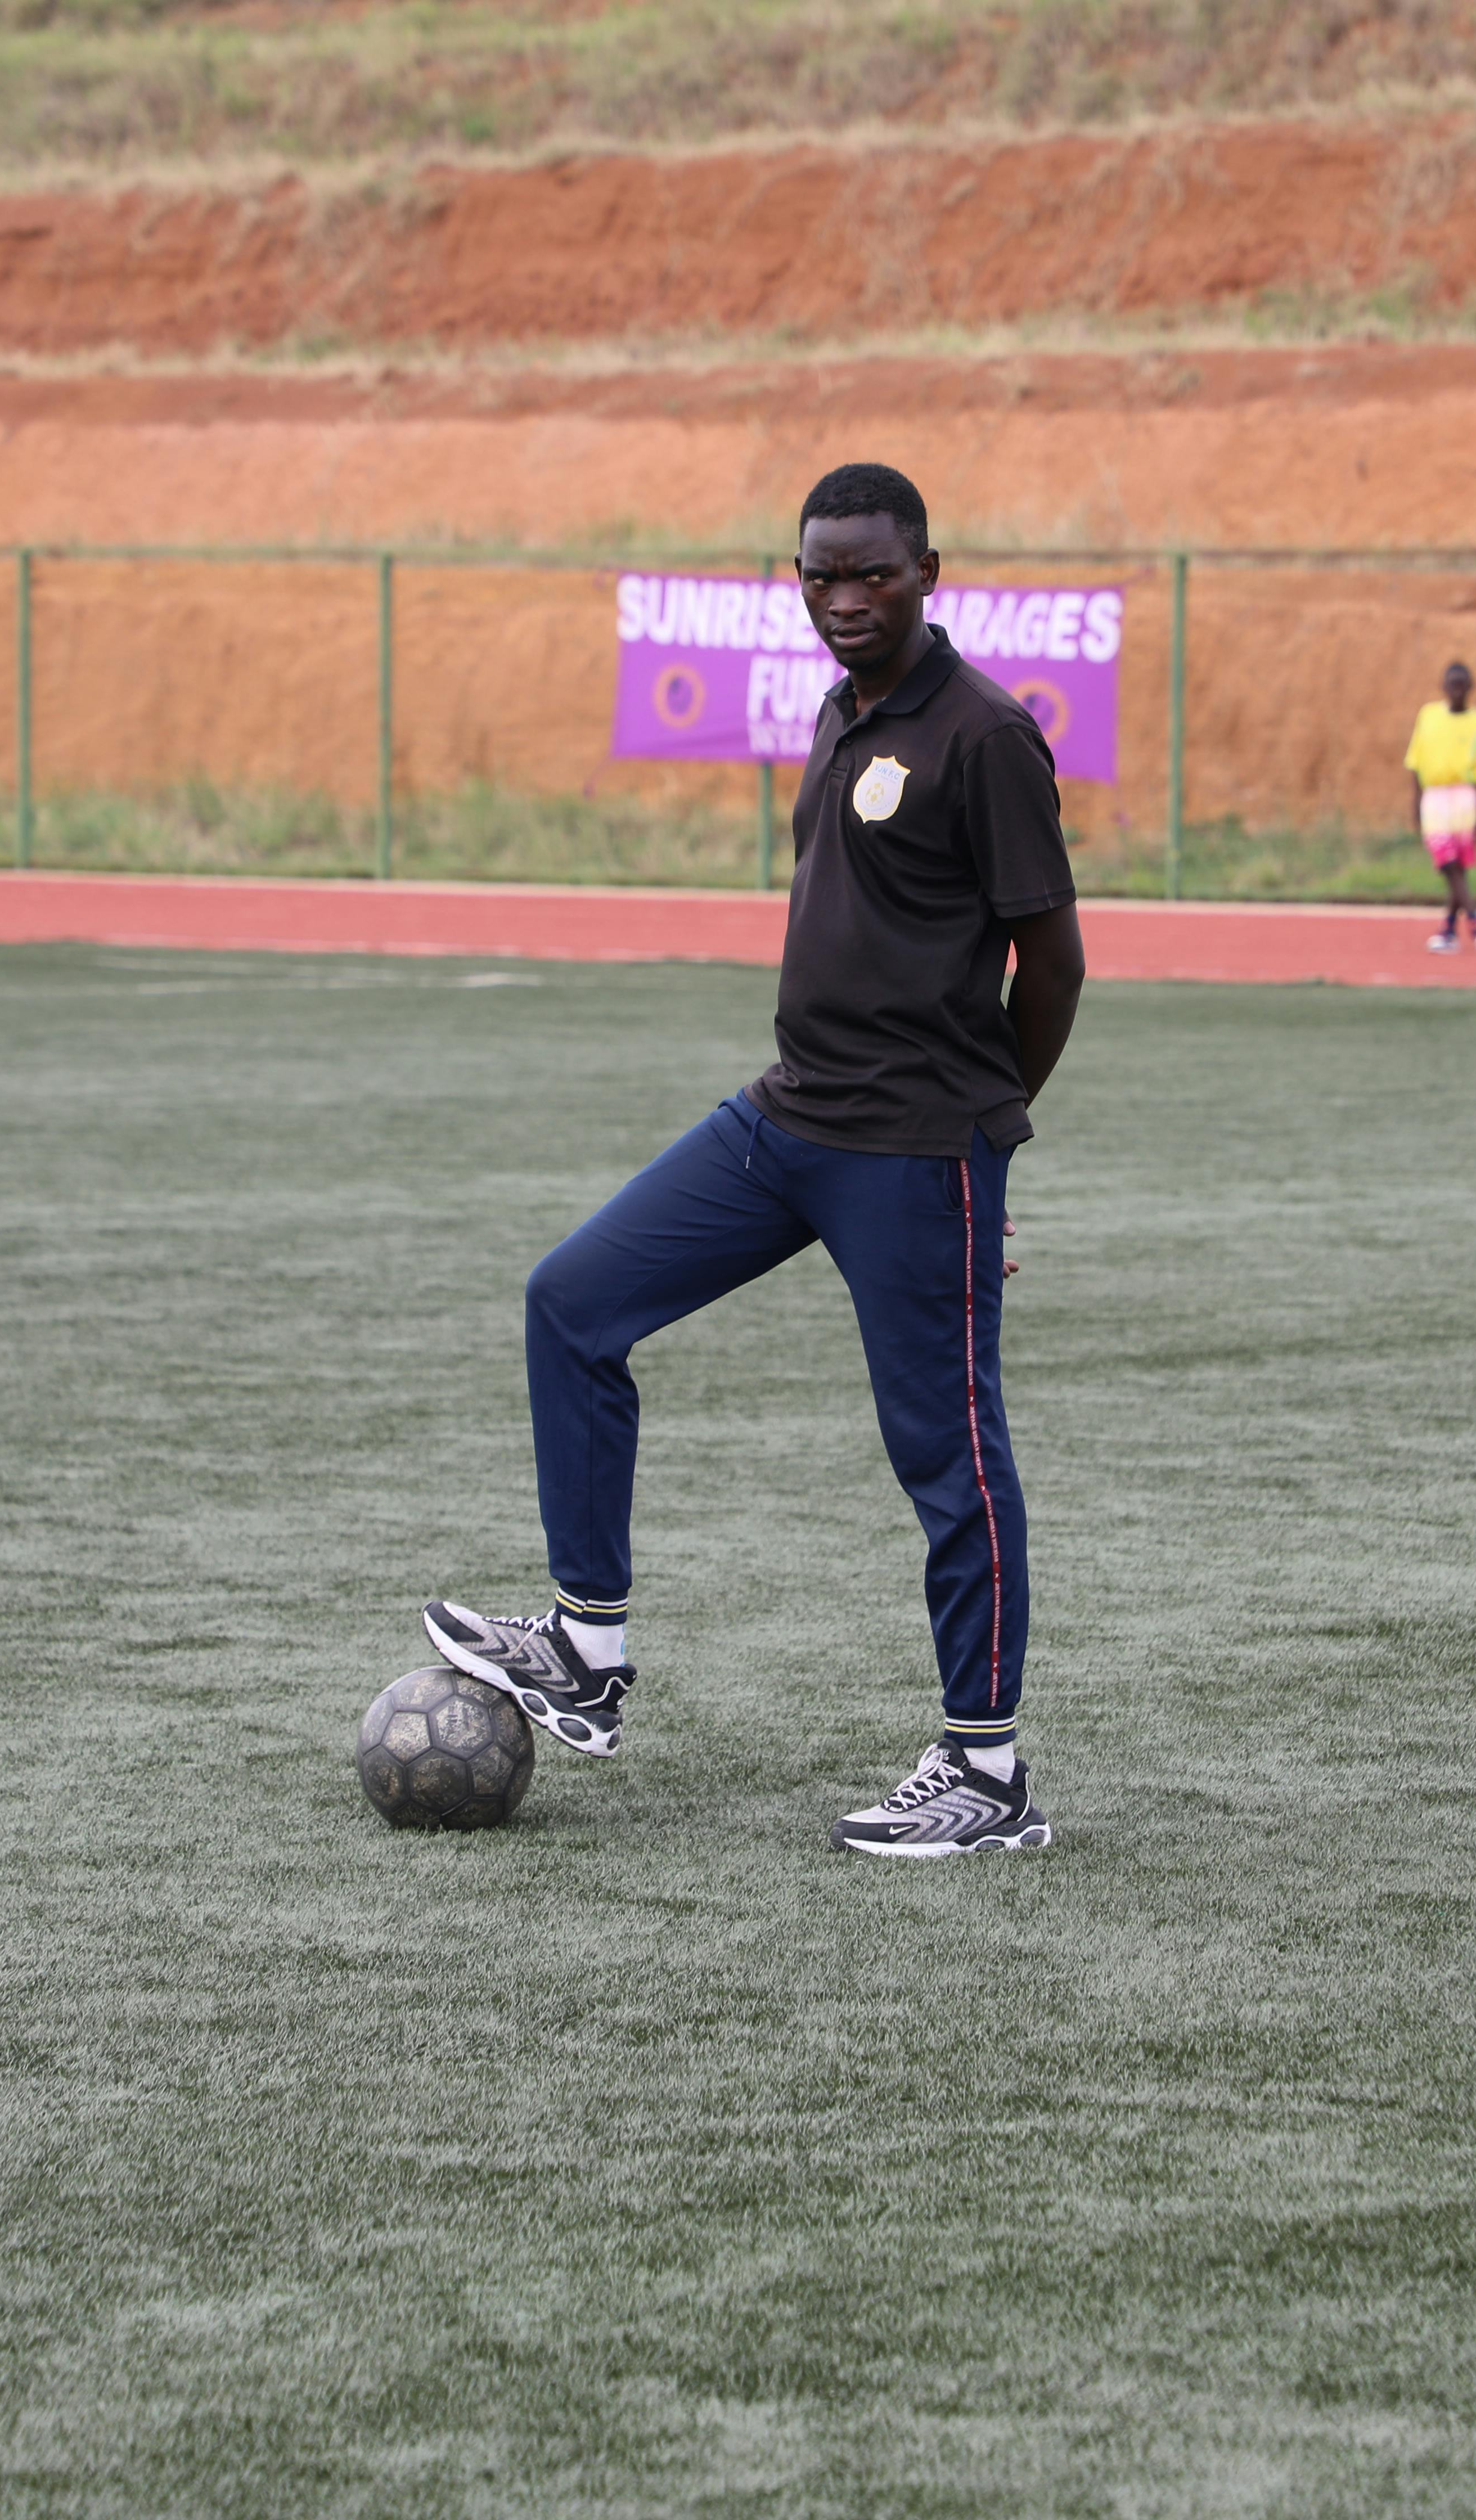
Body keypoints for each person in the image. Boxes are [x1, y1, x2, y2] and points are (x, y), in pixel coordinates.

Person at [421, 461, 1089, 1858]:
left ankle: (988, 1773)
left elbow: (1056, 962)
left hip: (915, 1148)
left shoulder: (985, 736)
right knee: (574, 1302)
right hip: (786, 1121)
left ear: (929, 574)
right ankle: (588, 1653)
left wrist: (985, 1142)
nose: (843, 600)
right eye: (819, 576)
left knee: (947, 1457)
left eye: (872, 576)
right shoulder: (843, 713)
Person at [1405, 660, 1476, 951]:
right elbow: (1415, 763)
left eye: (1462, 685)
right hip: (1435, 797)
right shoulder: (1429, 716)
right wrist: (1416, 802)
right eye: (1452, 685)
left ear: (1471, 688)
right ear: (1443, 687)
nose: (1457, 691)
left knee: (1458, 867)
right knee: (1446, 862)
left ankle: (1448, 931)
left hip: (1464, 798)